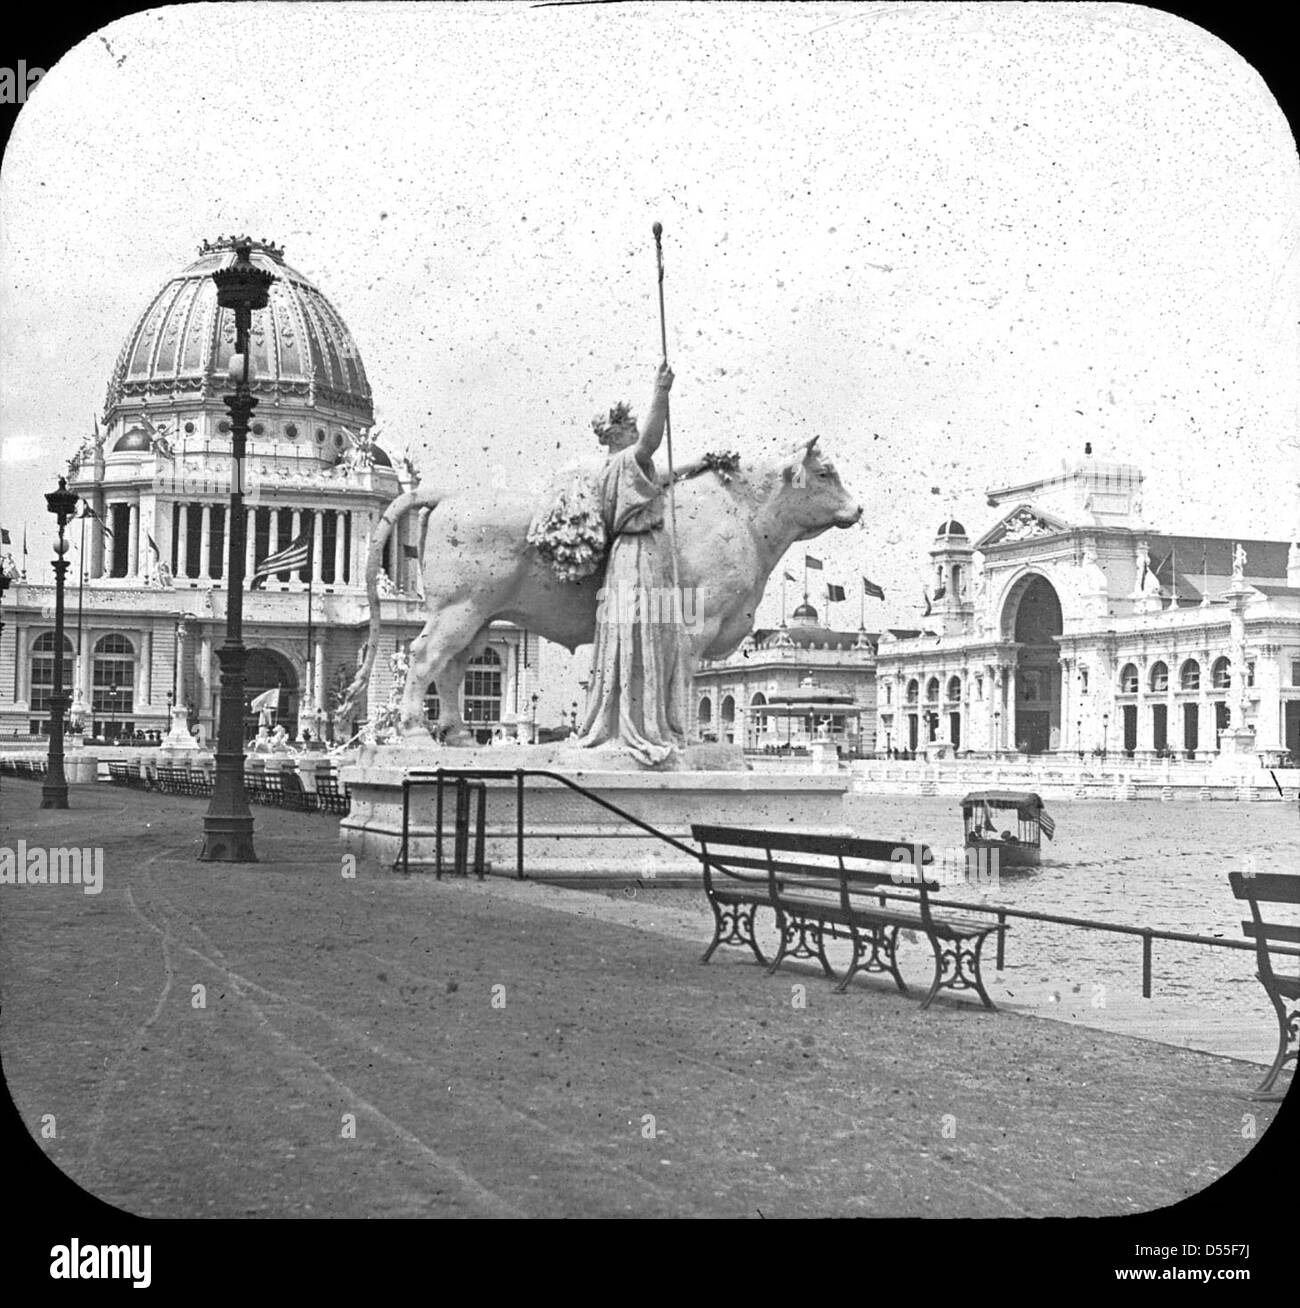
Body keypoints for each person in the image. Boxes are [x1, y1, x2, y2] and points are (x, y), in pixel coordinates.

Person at [575, 362, 688, 766]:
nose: (639, 428)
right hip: (640, 557)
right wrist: (661, 392)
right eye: (633, 424)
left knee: (636, 638)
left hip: (629, 555)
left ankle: (633, 717)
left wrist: (698, 465)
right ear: (618, 431)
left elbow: (662, 471)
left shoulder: (612, 468)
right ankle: (641, 724)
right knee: (644, 637)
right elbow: (652, 442)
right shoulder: (628, 460)